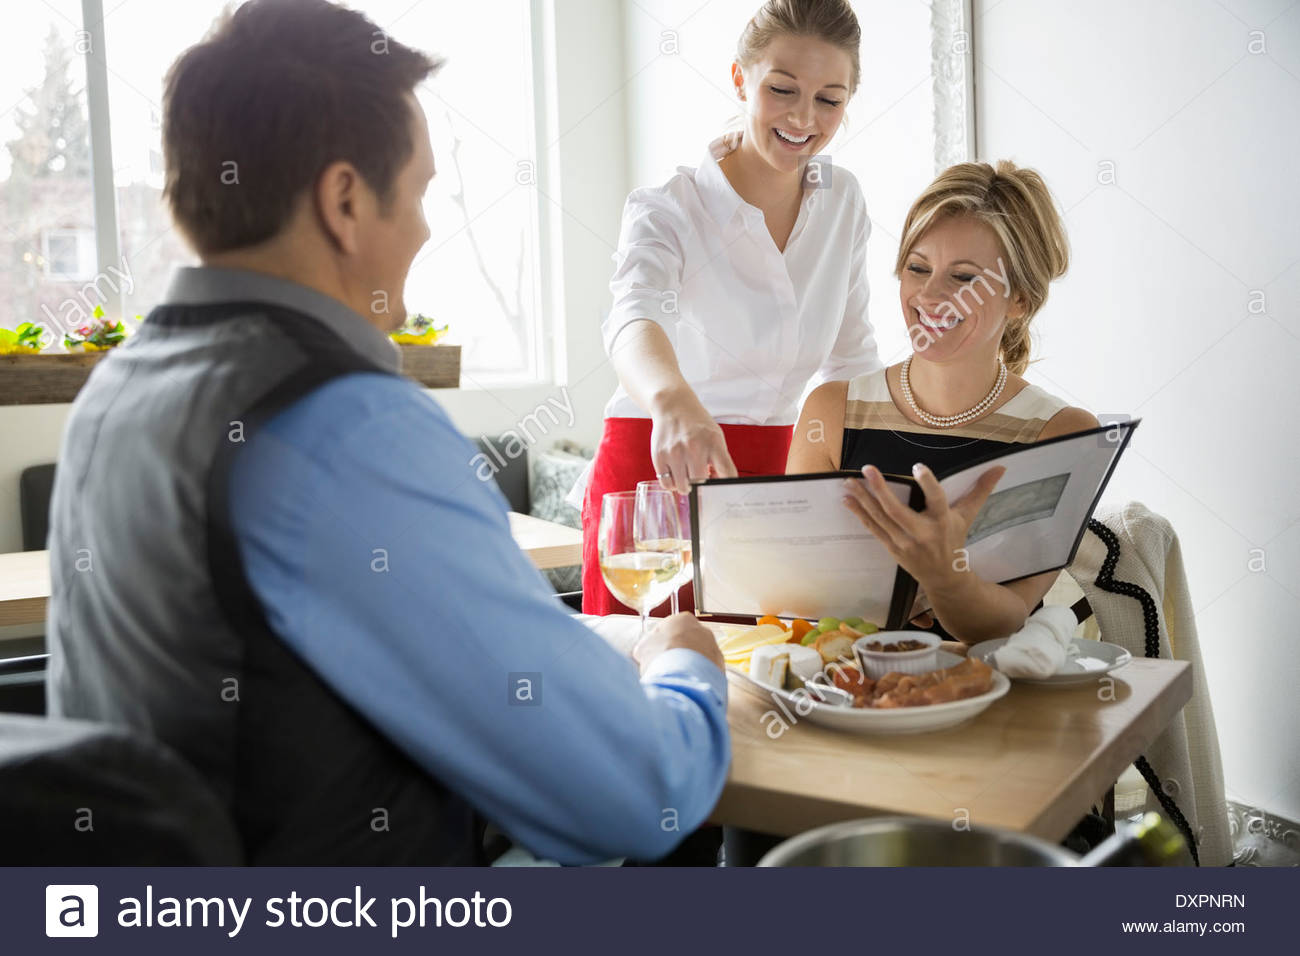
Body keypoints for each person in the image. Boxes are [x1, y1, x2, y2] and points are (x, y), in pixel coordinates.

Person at [44, 0, 728, 866]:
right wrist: (685, 660)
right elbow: (643, 796)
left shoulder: (117, 392)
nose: (428, 227)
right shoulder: (341, 425)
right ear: (344, 200)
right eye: (420, 192)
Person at [578, 0, 882, 614]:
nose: (804, 117)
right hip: (659, 465)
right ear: (740, 79)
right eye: (782, 89)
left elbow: (851, 360)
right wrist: (673, 401)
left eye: (830, 99)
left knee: (761, 677)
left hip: (780, 475)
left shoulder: (843, 200)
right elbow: (634, 317)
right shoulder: (670, 206)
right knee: (645, 681)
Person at [787, 160, 1100, 644]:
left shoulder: (1060, 435)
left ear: (1019, 298)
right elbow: (795, 590)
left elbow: (1003, 621)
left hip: (995, 702)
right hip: (853, 697)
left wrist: (942, 578)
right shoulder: (830, 413)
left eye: (964, 278)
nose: (930, 295)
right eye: (917, 268)